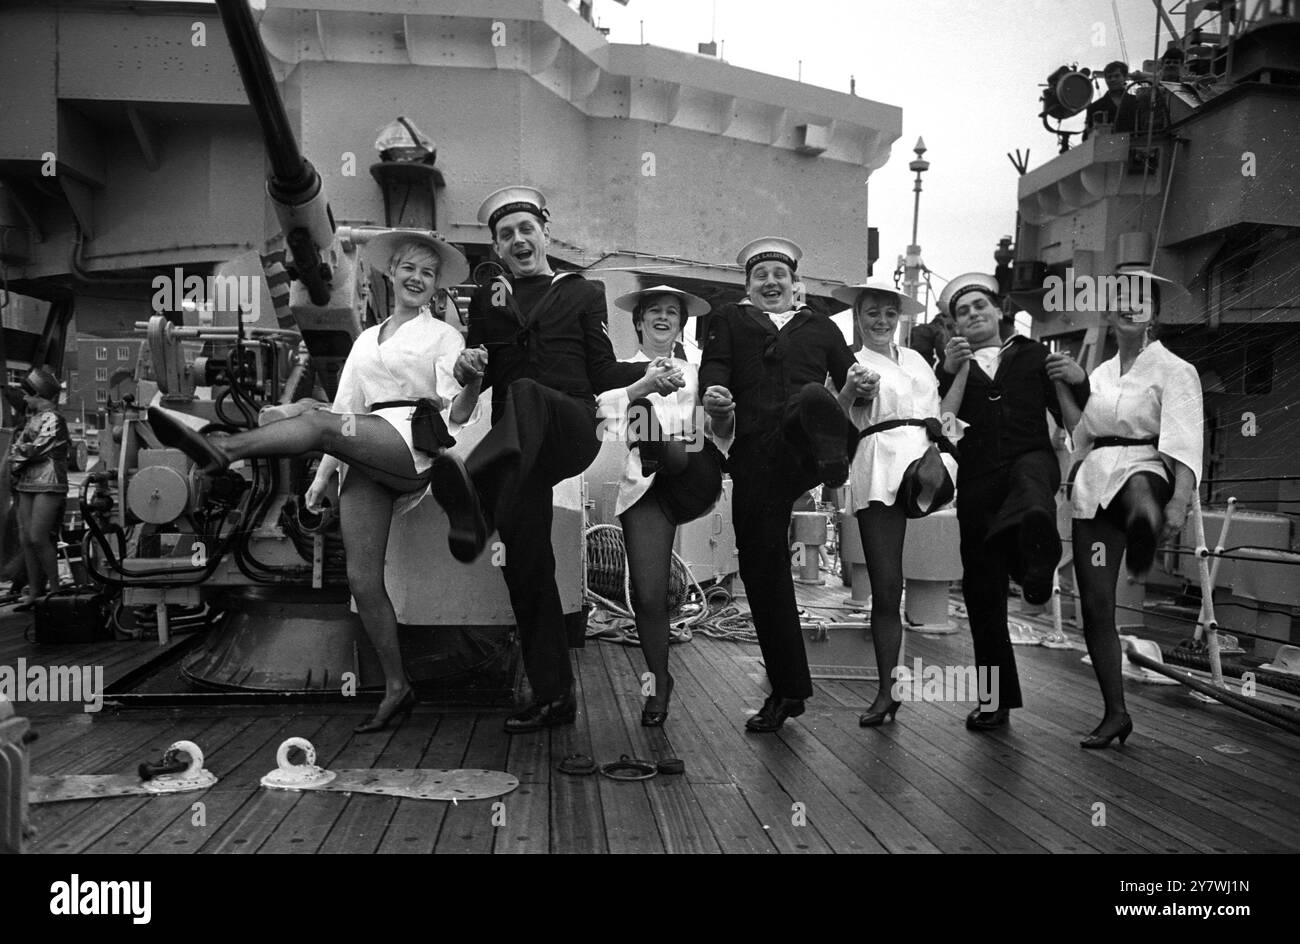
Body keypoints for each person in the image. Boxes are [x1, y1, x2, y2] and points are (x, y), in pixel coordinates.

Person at [150, 231, 477, 733]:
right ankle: (398, 687)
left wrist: (472, 379)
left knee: (320, 422)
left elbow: (458, 410)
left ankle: (222, 449)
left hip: (412, 443)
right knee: (363, 581)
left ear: (435, 287)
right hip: (363, 447)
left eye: (427, 273)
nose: (416, 278)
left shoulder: (444, 337)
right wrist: (320, 482)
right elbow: (348, 406)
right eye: (409, 268)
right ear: (392, 273)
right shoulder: (368, 338)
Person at [428, 186, 664, 734]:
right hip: (517, 451)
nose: (517, 240)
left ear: (545, 233)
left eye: (525, 229)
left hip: (570, 428)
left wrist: (649, 378)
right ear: (498, 245)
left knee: (530, 390)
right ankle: (554, 696)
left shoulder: (583, 291)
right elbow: (477, 380)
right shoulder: (489, 302)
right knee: (527, 566)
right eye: (505, 234)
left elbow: (604, 371)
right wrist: (469, 365)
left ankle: (476, 495)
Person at [700, 237, 863, 733]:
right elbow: (716, 370)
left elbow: (849, 376)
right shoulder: (728, 321)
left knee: (813, 396)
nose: (771, 282)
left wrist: (861, 384)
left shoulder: (821, 327)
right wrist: (718, 398)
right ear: (749, 285)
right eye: (761, 275)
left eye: (780, 275)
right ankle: (788, 688)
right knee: (761, 566)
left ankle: (832, 460)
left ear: (795, 284)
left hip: (804, 445)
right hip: (754, 455)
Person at [1047, 269, 1202, 749]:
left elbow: (1185, 441)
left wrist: (1179, 501)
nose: (1130, 306)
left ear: (1153, 312)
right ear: (1109, 312)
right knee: (1096, 606)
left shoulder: (1175, 370)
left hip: (1146, 468)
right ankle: (1116, 713)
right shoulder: (1100, 373)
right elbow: (1083, 434)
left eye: (1141, 300)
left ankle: (1146, 524)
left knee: (1139, 486)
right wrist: (1062, 388)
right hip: (1096, 487)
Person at [936, 272, 1091, 731]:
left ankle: (1034, 564)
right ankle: (994, 700)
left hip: (1031, 462)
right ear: (955, 325)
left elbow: (1073, 418)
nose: (973, 315)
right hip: (980, 480)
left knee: (1031, 493)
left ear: (998, 310)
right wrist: (953, 370)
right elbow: (941, 426)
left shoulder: (1033, 354)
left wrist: (1079, 379)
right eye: (962, 312)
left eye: (979, 306)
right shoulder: (949, 365)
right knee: (983, 595)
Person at [833, 284, 962, 727]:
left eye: (889, 312)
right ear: (858, 316)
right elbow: (839, 416)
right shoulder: (851, 362)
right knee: (887, 586)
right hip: (879, 467)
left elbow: (942, 410)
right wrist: (851, 392)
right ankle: (889, 690)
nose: (881, 320)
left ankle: (893, 688)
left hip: (927, 462)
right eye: (872, 313)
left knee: (926, 570)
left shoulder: (918, 359)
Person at [597, 285, 723, 726]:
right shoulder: (621, 370)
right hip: (646, 485)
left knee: (671, 439)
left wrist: (714, 410)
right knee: (647, 594)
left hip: (691, 471)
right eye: (655, 311)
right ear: (638, 321)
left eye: (673, 312)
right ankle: (659, 682)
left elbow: (720, 425)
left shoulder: (701, 368)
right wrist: (641, 386)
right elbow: (602, 422)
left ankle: (661, 445)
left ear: (681, 323)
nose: (664, 317)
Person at [6, 367, 71, 612]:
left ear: (37, 394)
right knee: (26, 538)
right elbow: (26, 446)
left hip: (48, 480)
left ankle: (54, 590)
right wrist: (19, 456)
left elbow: (38, 447)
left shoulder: (54, 419)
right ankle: (35, 592)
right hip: (28, 480)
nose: (24, 398)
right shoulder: (33, 419)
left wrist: (15, 458)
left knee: (38, 536)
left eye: (27, 394)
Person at [1084, 61, 1138, 139]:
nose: (1112, 79)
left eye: (1117, 76)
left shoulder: (1136, 102)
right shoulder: (1095, 107)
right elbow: (1087, 137)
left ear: (1125, 77)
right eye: (1109, 77)